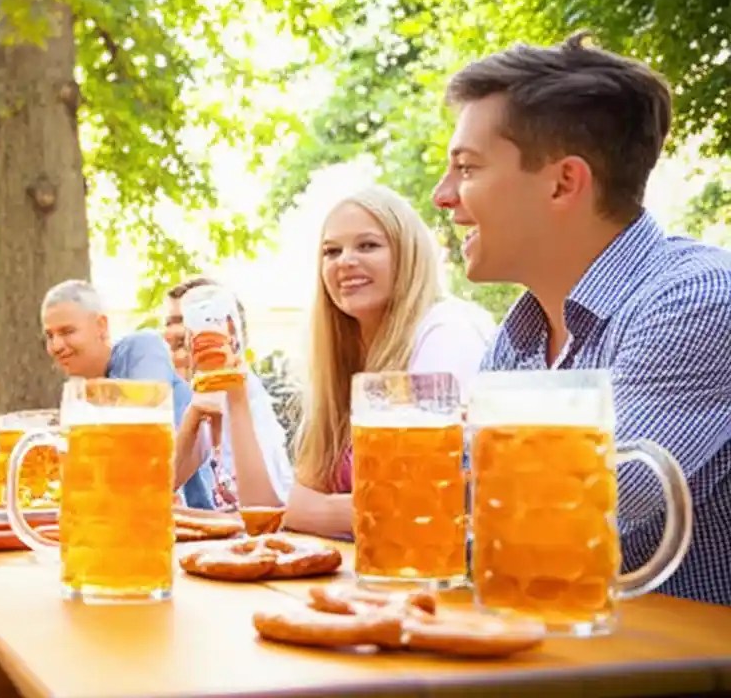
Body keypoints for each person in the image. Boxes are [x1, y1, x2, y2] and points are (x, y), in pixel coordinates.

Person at [432, 34, 731, 606]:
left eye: (466, 168)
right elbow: (458, 503)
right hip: (558, 641)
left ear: (564, 182)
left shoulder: (697, 300)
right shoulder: (520, 336)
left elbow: (573, 518)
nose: (442, 196)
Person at [283, 185, 494, 538]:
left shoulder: (447, 330)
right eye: (331, 251)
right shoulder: (341, 357)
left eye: (367, 245)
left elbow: (418, 505)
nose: (345, 261)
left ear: (408, 255)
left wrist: (310, 509)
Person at [40, 279, 217, 508]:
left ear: (101, 326)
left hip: (201, 513)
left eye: (67, 332)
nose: (56, 345)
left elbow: (143, 445)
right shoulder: (83, 394)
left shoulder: (141, 349)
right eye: (49, 335)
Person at [165, 277, 294, 508]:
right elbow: (164, 484)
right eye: (170, 342)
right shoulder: (199, 395)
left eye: (182, 341)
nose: (176, 355)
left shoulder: (246, 396)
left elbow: (265, 507)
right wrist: (194, 413)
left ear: (230, 335)